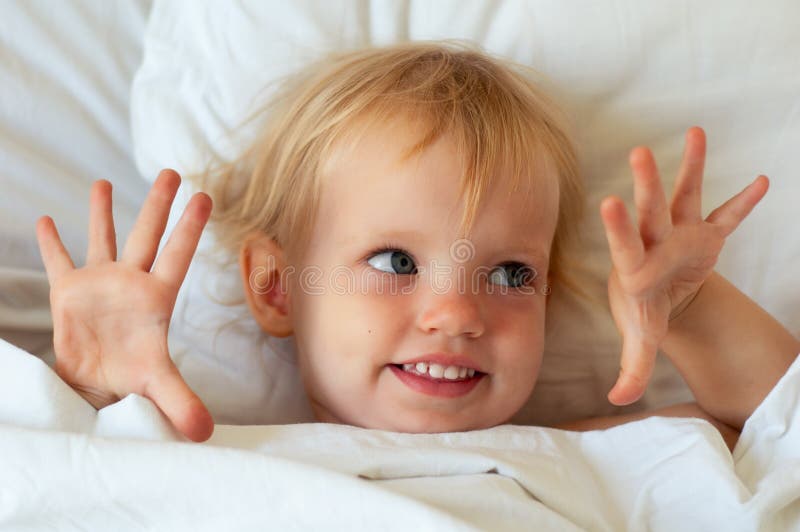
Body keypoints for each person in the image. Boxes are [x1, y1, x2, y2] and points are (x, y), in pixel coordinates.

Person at [35, 42, 799, 448]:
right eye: (396, 261)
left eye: (509, 273)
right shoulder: (215, 453)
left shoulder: (587, 450)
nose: (456, 313)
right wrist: (93, 399)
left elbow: (776, 437)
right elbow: (64, 492)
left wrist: (691, 308)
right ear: (276, 288)